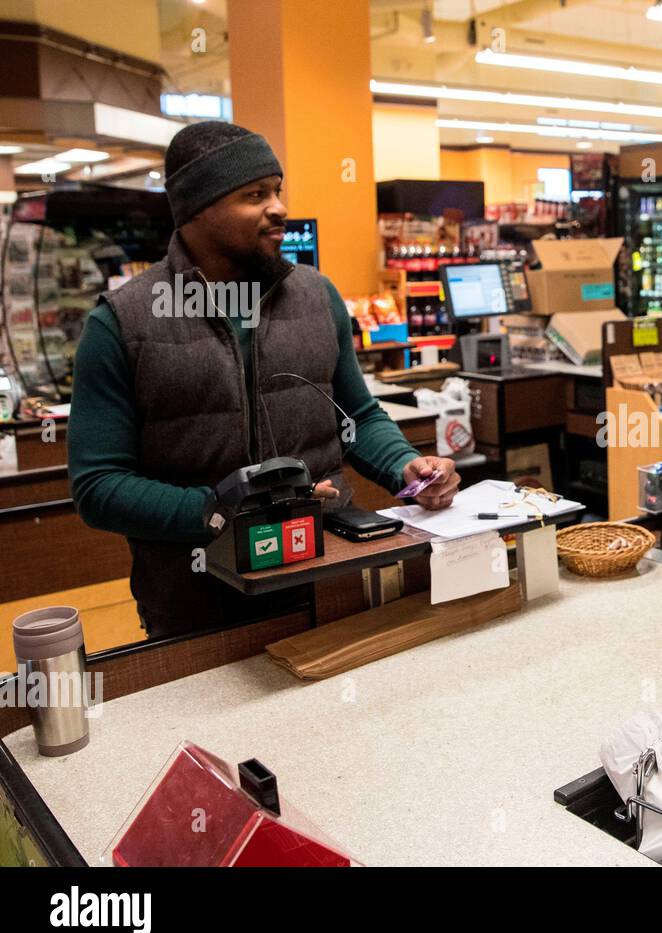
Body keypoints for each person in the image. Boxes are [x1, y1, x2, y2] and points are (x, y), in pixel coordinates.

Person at [68, 121, 460, 639]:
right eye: (255, 195)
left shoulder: (318, 298)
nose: (278, 207)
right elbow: (99, 486)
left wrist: (404, 466)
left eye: (277, 190)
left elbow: (356, 416)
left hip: (327, 571)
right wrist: (219, 510)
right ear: (196, 209)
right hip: (198, 594)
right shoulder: (122, 323)